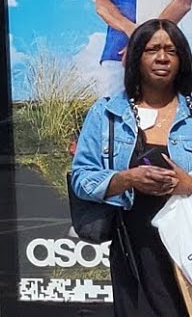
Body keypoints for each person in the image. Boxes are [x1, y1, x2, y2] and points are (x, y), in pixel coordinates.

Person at [69, 18, 192, 317]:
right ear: (137, 57)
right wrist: (126, 179)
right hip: (134, 251)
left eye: (171, 51)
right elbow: (81, 177)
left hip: (186, 248)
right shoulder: (107, 113)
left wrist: (187, 184)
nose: (162, 57)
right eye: (153, 49)